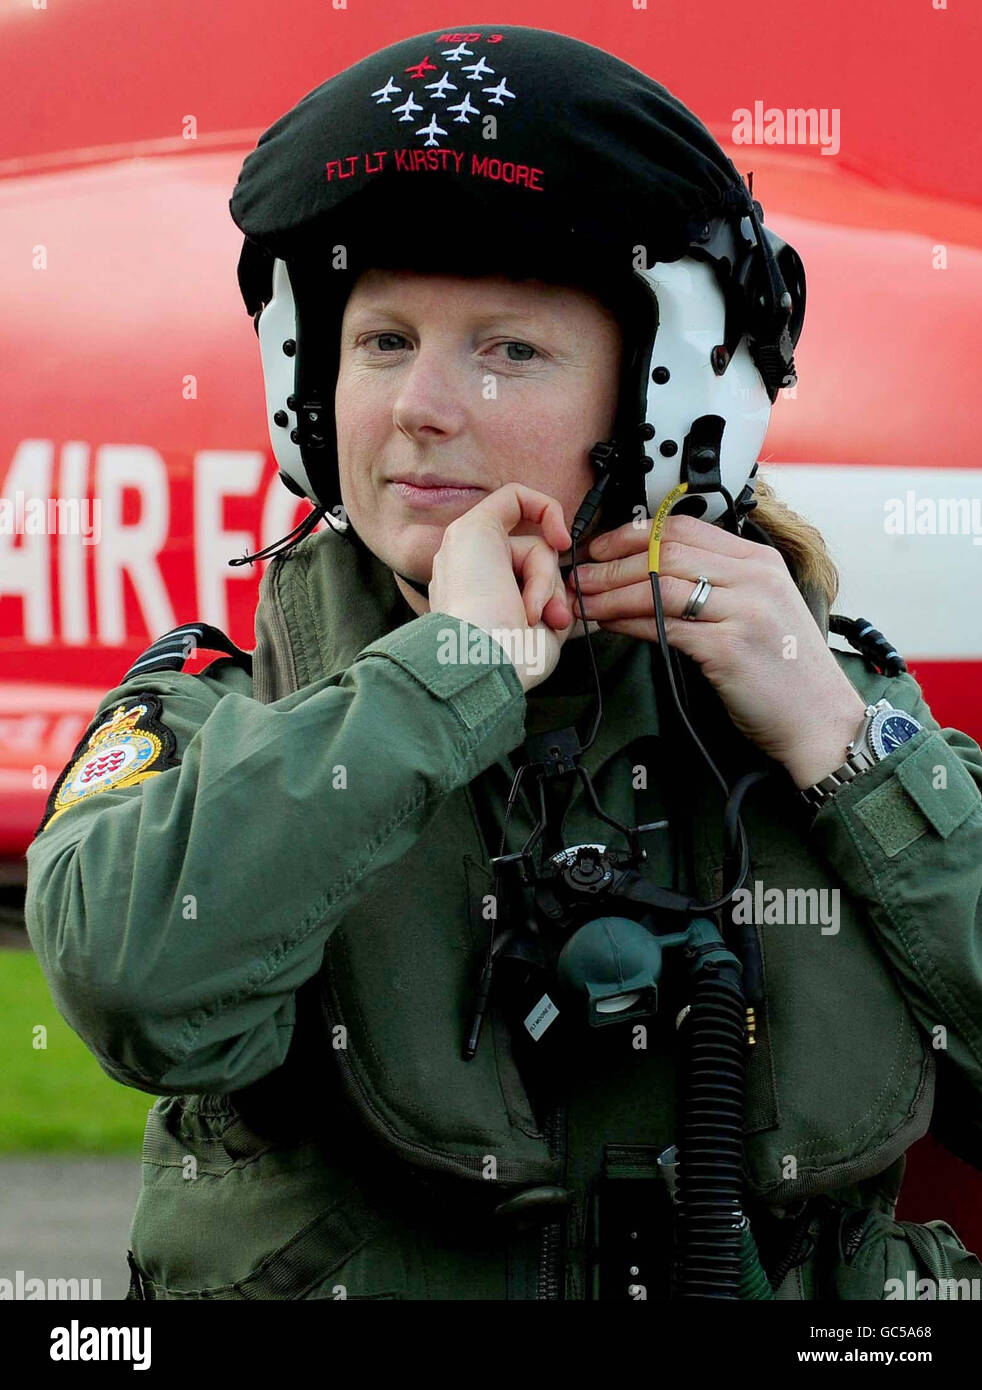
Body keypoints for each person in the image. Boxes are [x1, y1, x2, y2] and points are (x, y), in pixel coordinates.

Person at [25, 24, 982, 1302]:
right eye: (381, 342)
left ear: (655, 407)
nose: (422, 403)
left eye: (508, 349)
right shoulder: (223, 716)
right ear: (308, 382)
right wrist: (450, 673)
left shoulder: (842, 732)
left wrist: (839, 743)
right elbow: (137, 982)